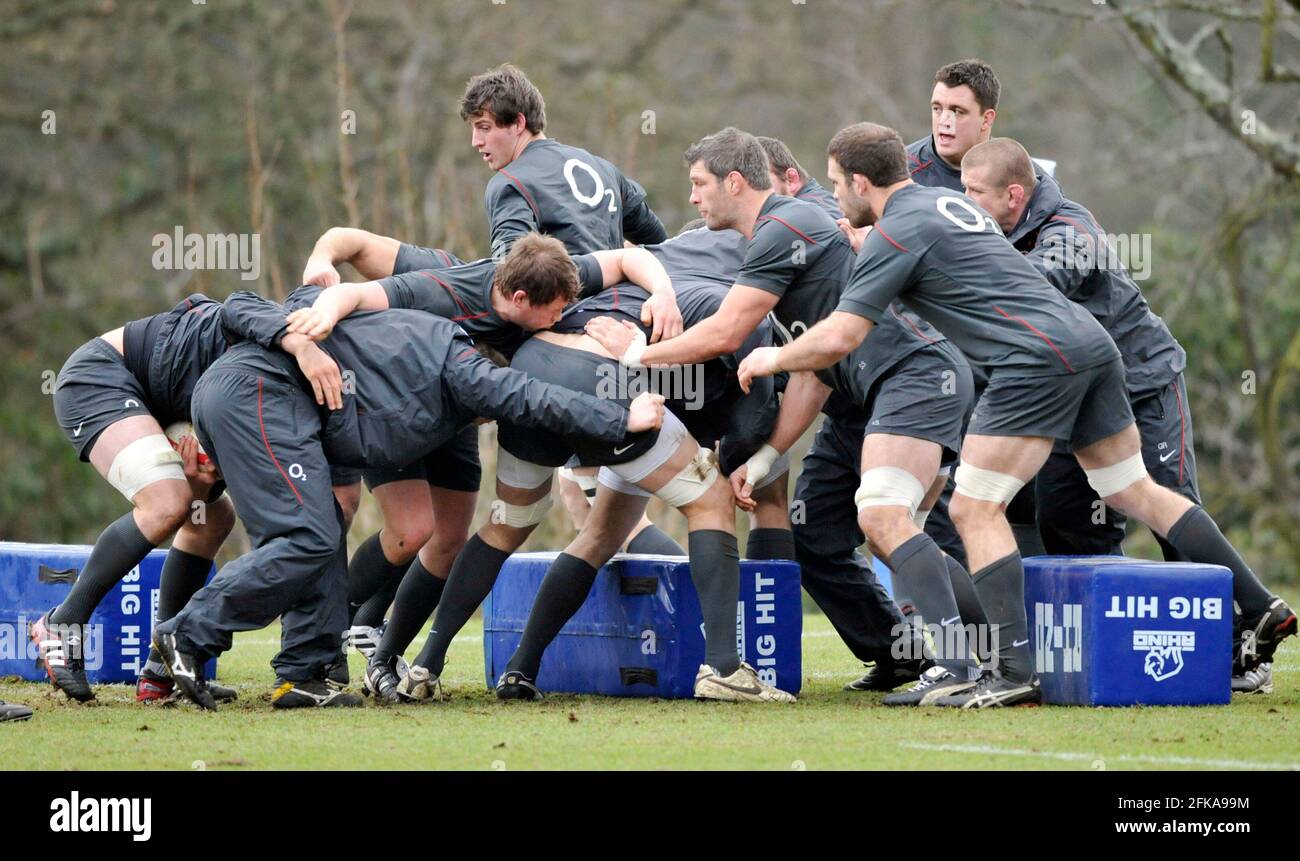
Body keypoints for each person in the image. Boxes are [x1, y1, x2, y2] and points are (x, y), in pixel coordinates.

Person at [737, 122, 1295, 707]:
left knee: (976, 507)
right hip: (1093, 347)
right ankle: (1260, 605)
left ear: (858, 181)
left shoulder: (895, 232)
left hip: (1035, 361)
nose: (832, 199)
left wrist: (776, 352)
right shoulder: (945, 203)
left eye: (834, 184)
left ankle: (1011, 670)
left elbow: (841, 337)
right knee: (1131, 488)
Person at [152, 286, 665, 710]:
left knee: (323, 530)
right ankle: (188, 635)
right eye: (483, 416)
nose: (482, 423)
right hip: (258, 394)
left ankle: (304, 675)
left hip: (255, 400)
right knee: (305, 538)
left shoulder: (410, 331)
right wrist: (621, 419)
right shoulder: (463, 366)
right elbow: (531, 397)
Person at [585, 127, 958, 692]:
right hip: (853, 398)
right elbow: (811, 371)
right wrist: (763, 459)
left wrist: (637, 355)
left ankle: (973, 661)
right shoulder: (770, 239)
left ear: (734, 182)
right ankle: (902, 655)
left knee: (888, 520)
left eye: (700, 184)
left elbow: (726, 332)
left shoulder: (785, 225)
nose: (692, 199)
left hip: (910, 378)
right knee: (815, 532)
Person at [377, 224, 791, 704]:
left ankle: (455, 665)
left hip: (529, 379)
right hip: (604, 389)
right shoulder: (736, 300)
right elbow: (754, 397)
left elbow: (627, 270)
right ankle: (723, 670)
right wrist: (741, 460)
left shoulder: (649, 273)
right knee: (712, 501)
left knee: (542, 527)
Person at [962, 137, 1292, 691]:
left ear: (1013, 195)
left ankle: (1245, 637)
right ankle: (1116, 649)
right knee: (1067, 523)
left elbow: (1041, 284)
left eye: (974, 193)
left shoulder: (1072, 229)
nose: (965, 203)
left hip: (1144, 384)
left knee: (1169, 508)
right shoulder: (1001, 228)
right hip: (1076, 397)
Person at [285, 233, 682, 674]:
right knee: (410, 532)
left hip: (459, 416)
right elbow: (351, 290)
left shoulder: (547, 275)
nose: (561, 317)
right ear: (518, 298)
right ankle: (334, 626)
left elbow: (629, 258)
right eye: (554, 310)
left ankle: (388, 658)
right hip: (398, 409)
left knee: (450, 540)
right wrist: (313, 325)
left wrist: (664, 294)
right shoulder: (440, 290)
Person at [34, 292, 341, 703]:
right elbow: (236, 304)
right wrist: (301, 342)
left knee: (213, 518)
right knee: (166, 502)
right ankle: (63, 624)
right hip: (100, 378)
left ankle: (160, 670)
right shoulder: (267, 329)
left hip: (162, 406)